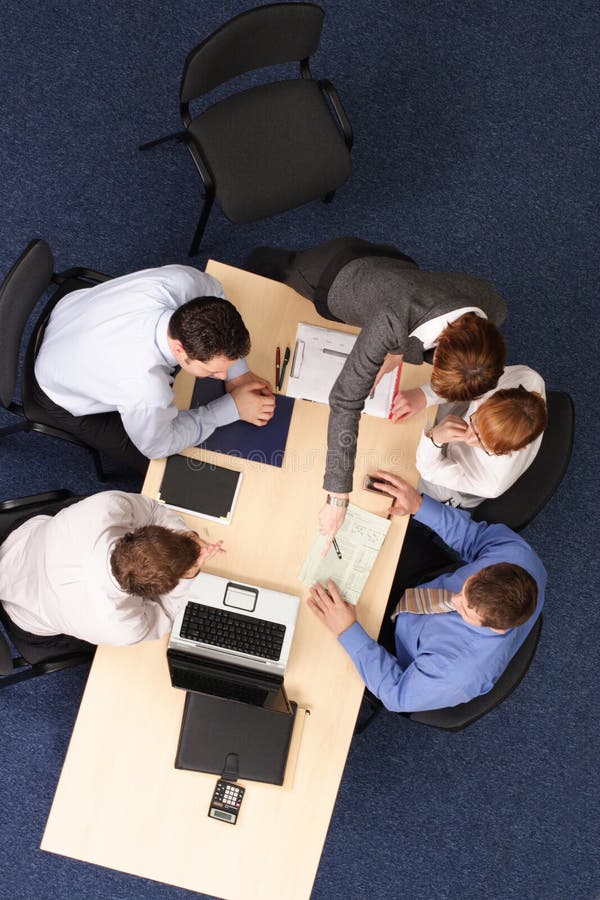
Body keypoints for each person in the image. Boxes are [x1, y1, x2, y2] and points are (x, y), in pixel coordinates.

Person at [245, 236, 507, 550]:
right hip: (331, 276)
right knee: (281, 271)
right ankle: (253, 261)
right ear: (439, 352)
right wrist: (337, 499)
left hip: (395, 266)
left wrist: (398, 352)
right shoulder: (393, 320)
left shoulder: (491, 306)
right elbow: (344, 400)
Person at [307, 471, 546, 712]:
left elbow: (395, 693)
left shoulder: (456, 674)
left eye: (464, 608)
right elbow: (473, 538)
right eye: (467, 587)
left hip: (400, 645)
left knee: (313, 643)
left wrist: (348, 630)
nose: (456, 599)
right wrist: (420, 506)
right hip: (427, 581)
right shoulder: (518, 557)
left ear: (497, 628)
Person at [33, 265, 275, 474]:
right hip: (57, 386)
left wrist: (238, 374)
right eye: (213, 372)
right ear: (180, 350)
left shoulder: (181, 283)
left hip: (72, 312)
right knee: (165, 468)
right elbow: (157, 446)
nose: (221, 377)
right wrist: (231, 408)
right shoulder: (145, 391)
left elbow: (216, 291)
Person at [0, 491, 224, 646]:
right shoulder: (123, 627)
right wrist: (188, 575)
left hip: (19, 546)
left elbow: (153, 511)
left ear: (135, 533)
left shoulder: (106, 507)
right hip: (25, 615)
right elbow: (166, 613)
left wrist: (186, 537)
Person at [415, 365, 547, 507]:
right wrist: (424, 396)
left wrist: (434, 439)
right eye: (476, 421)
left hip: (453, 482)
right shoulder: (527, 378)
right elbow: (473, 381)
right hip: (458, 414)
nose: (468, 437)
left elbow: (429, 470)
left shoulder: (491, 483)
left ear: (519, 449)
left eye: (483, 444)